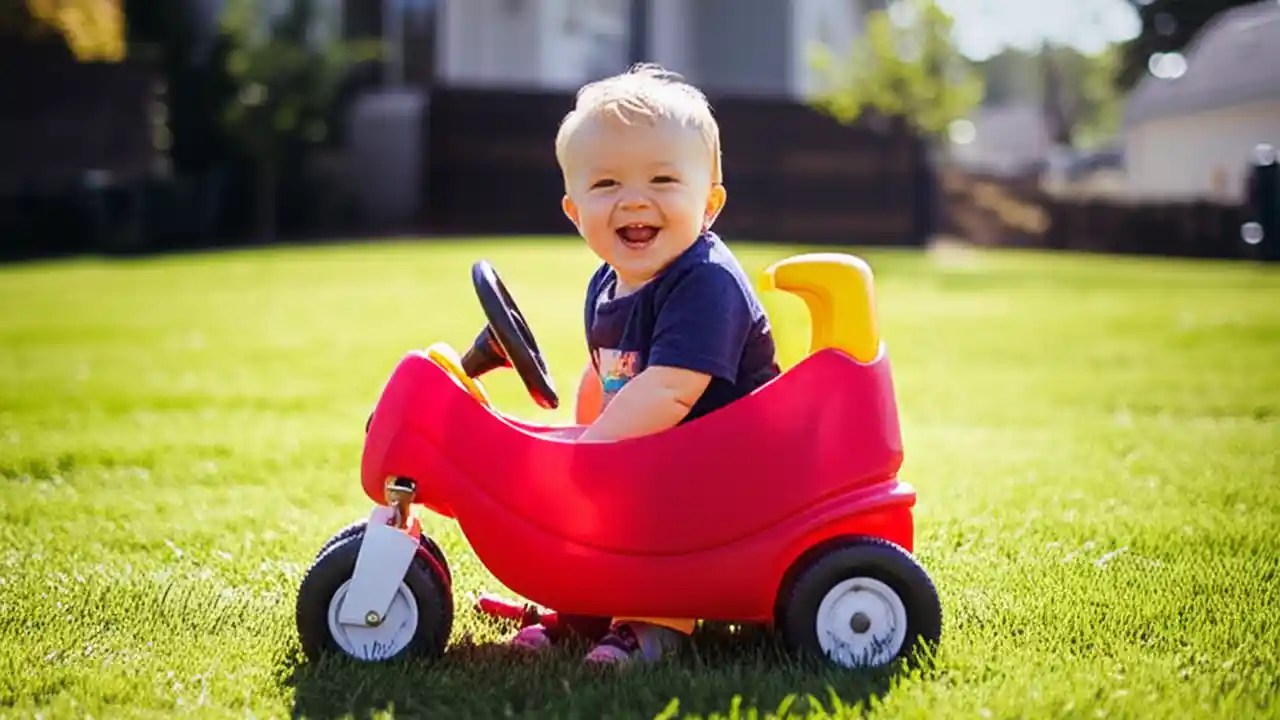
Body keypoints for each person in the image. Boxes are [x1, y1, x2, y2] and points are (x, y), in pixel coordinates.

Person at [509, 63, 781, 665]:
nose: (635, 199)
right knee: (609, 511)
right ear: (576, 213)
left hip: (733, 474)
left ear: (708, 204)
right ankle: (585, 603)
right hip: (664, 458)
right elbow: (610, 377)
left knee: (653, 510)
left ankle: (655, 620)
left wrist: (587, 456)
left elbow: (666, 393)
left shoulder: (705, 282)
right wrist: (581, 435)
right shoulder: (608, 283)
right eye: (606, 185)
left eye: (662, 179)